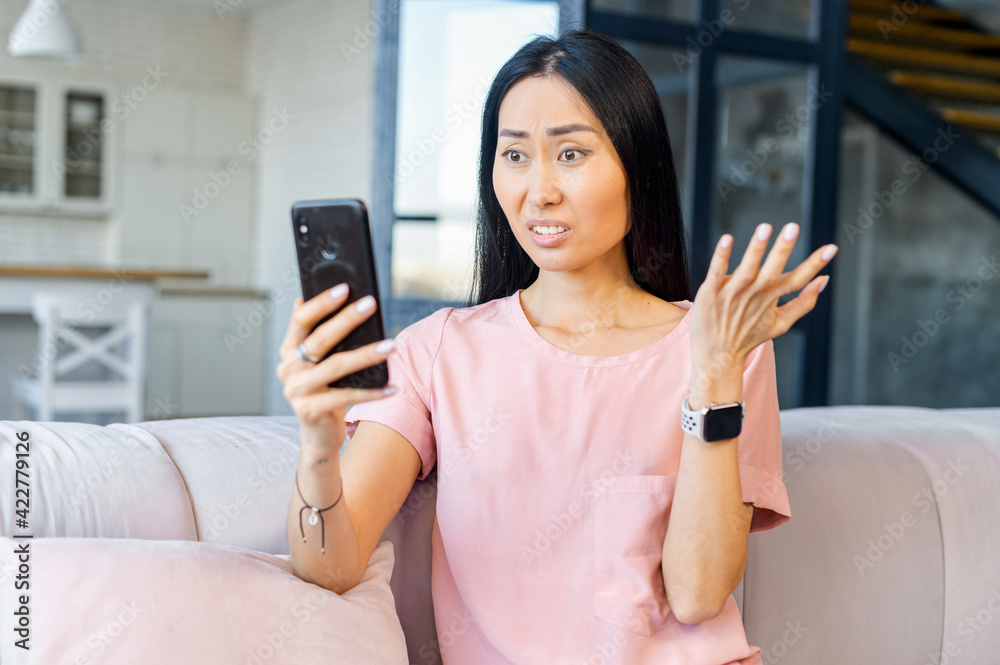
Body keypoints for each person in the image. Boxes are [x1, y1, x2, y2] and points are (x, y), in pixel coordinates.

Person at [275, 27, 837, 665]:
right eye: (515, 155)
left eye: (571, 154)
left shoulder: (721, 348)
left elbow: (698, 594)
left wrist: (713, 373)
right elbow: (330, 566)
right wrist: (318, 444)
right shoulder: (436, 353)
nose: (538, 190)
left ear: (638, 167)